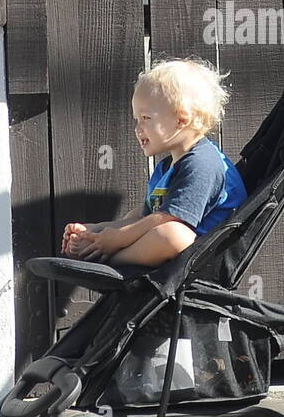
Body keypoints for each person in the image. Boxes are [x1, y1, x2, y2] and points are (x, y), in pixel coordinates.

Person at [61, 58, 246, 268]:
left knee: (173, 234)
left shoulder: (203, 164)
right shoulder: (167, 166)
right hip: (166, 245)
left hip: (202, 259)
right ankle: (98, 242)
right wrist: (101, 229)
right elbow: (148, 216)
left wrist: (118, 238)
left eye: (146, 118)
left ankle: (110, 260)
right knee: (138, 214)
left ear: (181, 119)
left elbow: (168, 219)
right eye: (136, 119)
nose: (137, 128)